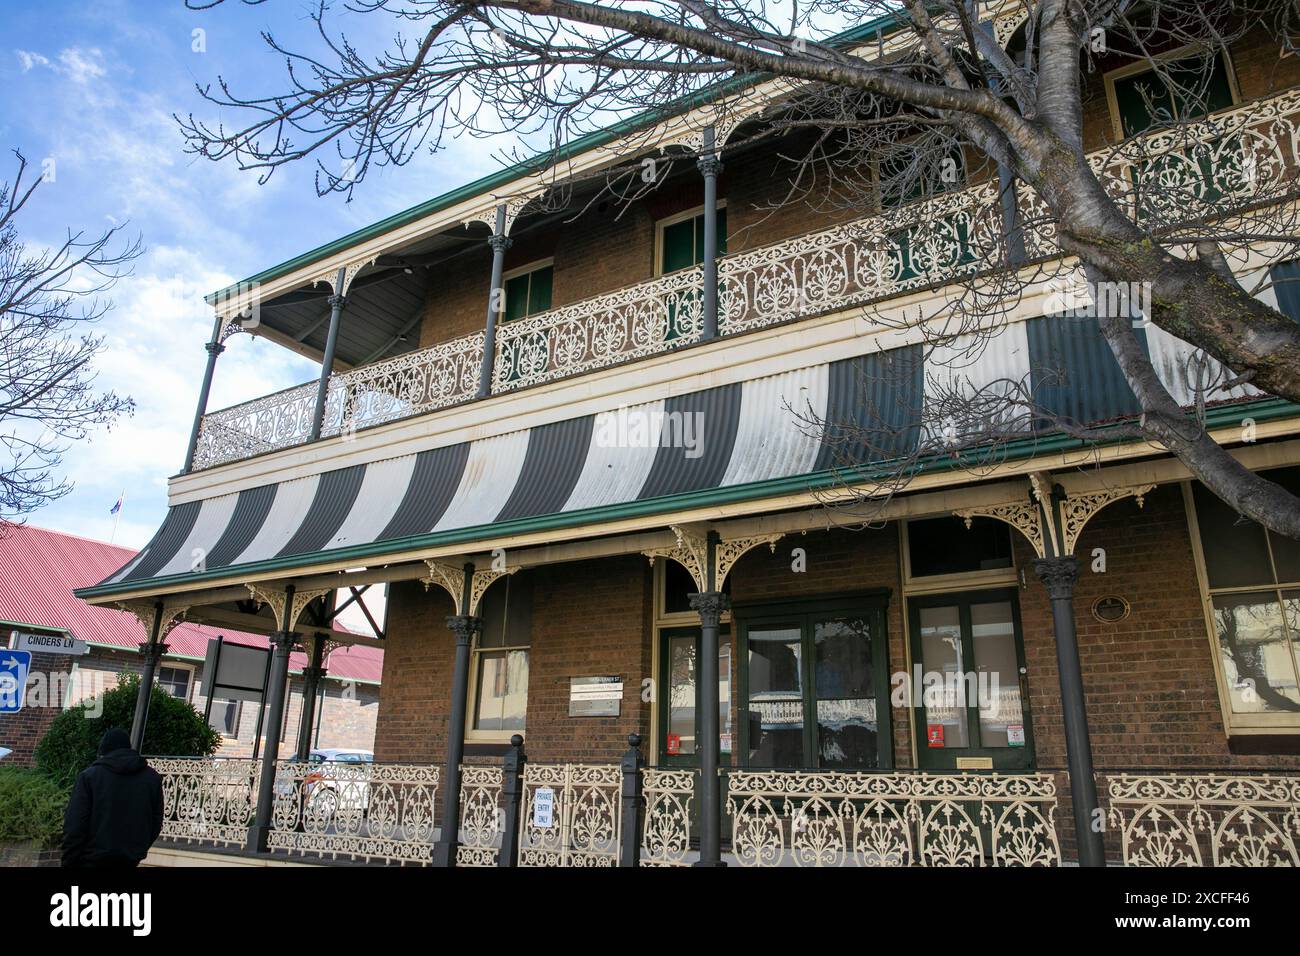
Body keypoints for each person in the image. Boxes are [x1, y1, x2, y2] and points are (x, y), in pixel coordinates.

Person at [61, 728, 164, 867]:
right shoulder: (152, 779)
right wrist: (137, 851)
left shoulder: (90, 777)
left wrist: (69, 861)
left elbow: (75, 824)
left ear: (103, 751)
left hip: (90, 860)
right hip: (129, 860)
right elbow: (155, 822)